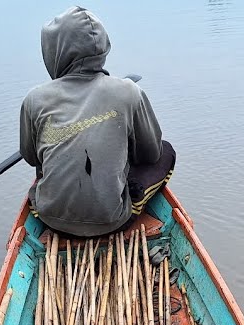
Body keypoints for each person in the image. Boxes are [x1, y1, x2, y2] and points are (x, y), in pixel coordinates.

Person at [19, 7, 175, 238]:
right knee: (166, 152)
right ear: (103, 47)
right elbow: (151, 155)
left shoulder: (34, 99)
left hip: (49, 218)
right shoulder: (128, 91)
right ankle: (125, 201)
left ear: (52, 53)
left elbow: (32, 158)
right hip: (112, 222)